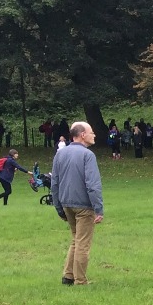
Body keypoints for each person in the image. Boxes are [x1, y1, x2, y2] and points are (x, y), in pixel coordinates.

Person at [50, 122, 104, 286]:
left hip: (66, 203)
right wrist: (99, 209)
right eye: (91, 132)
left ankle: (68, 276)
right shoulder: (88, 155)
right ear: (82, 135)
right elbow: (93, 184)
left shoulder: (60, 154)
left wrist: (59, 207)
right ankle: (80, 280)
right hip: (84, 206)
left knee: (76, 240)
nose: (94, 135)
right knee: (83, 243)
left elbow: (54, 183)